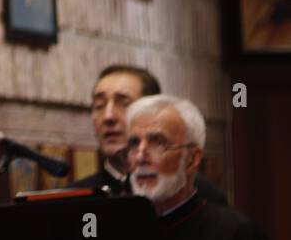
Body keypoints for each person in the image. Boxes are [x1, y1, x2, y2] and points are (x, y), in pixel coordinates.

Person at [126, 95, 268, 240]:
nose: (140, 157)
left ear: (192, 159)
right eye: (134, 144)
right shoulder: (115, 230)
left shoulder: (236, 233)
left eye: (158, 143)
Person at [71, 65, 227, 205]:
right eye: (99, 105)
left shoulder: (201, 197)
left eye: (124, 104)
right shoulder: (74, 200)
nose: (108, 116)